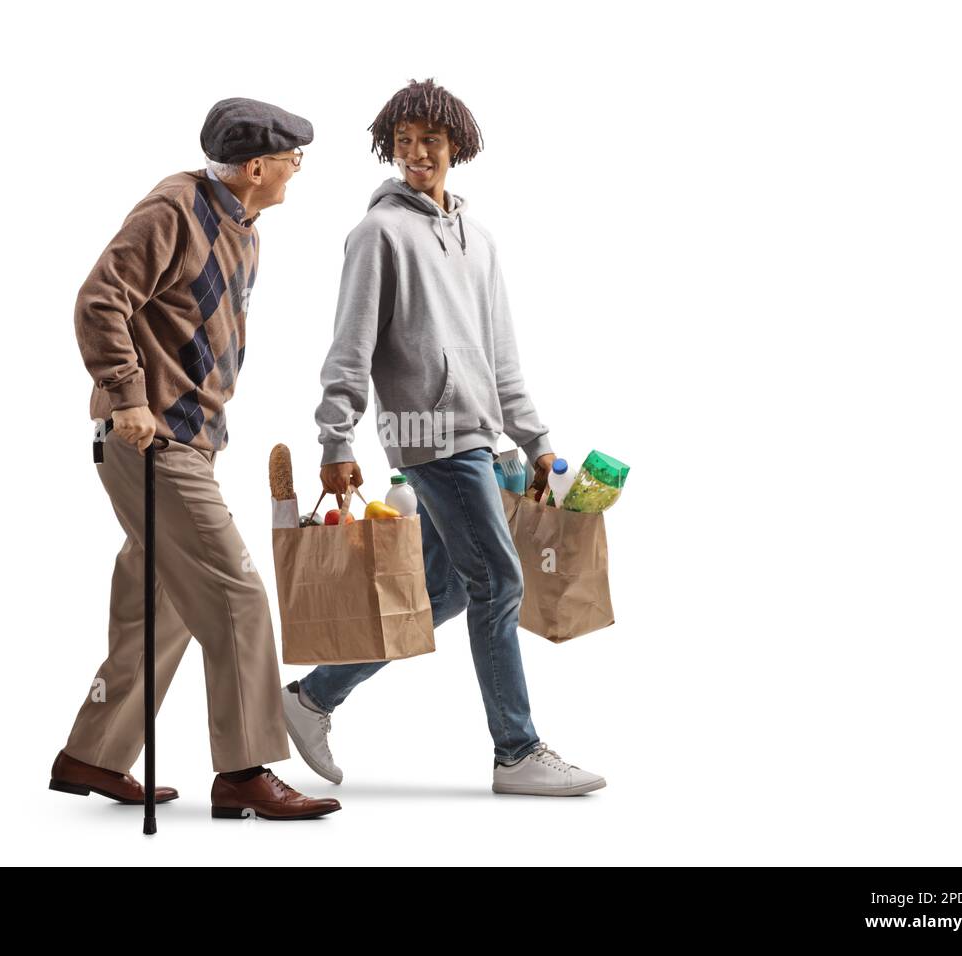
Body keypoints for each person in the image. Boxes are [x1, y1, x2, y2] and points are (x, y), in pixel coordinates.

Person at [284, 79, 605, 796]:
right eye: (403, 142)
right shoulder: (378, 234)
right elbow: (351, 345)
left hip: (483, 439)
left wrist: (537, 440)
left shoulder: (478, 240)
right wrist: (336, 440)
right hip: (428, 436)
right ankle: (516, 752)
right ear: (389, 148)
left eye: (430, 140)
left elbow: (501, 357)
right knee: (500, 580)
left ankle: (310, 700)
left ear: (456, 145)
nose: (416, 154)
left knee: (445, 586)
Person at [54, 97, 340, 820]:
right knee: (237, 592)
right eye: (289, 161)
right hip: (150, 442)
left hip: (193, 441)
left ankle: (91, 755)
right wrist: (126, 396)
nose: (294, 172)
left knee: (162, 608)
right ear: (254, 167)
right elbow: (98, 300)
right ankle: (244, 772)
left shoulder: (242, 225)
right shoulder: (174, 210)